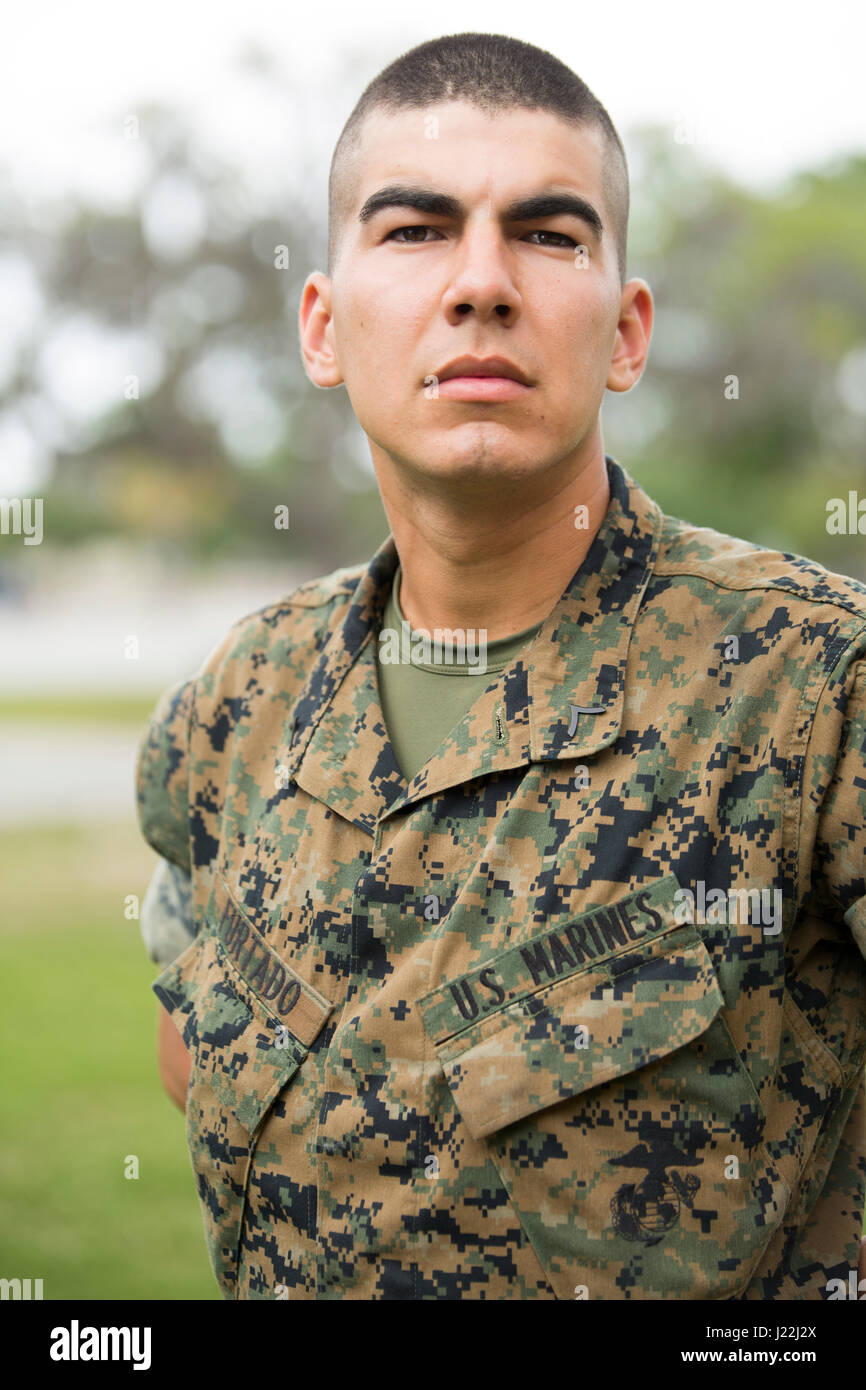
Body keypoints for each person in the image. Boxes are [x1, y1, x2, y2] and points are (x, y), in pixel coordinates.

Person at [136, 31, 866, 1301]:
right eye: (414, 231)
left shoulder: (812, 683)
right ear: (322, 326)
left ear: (626, 333)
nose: (479, 283)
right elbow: (189, 1047)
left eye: (546, 233)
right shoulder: (240, 700)